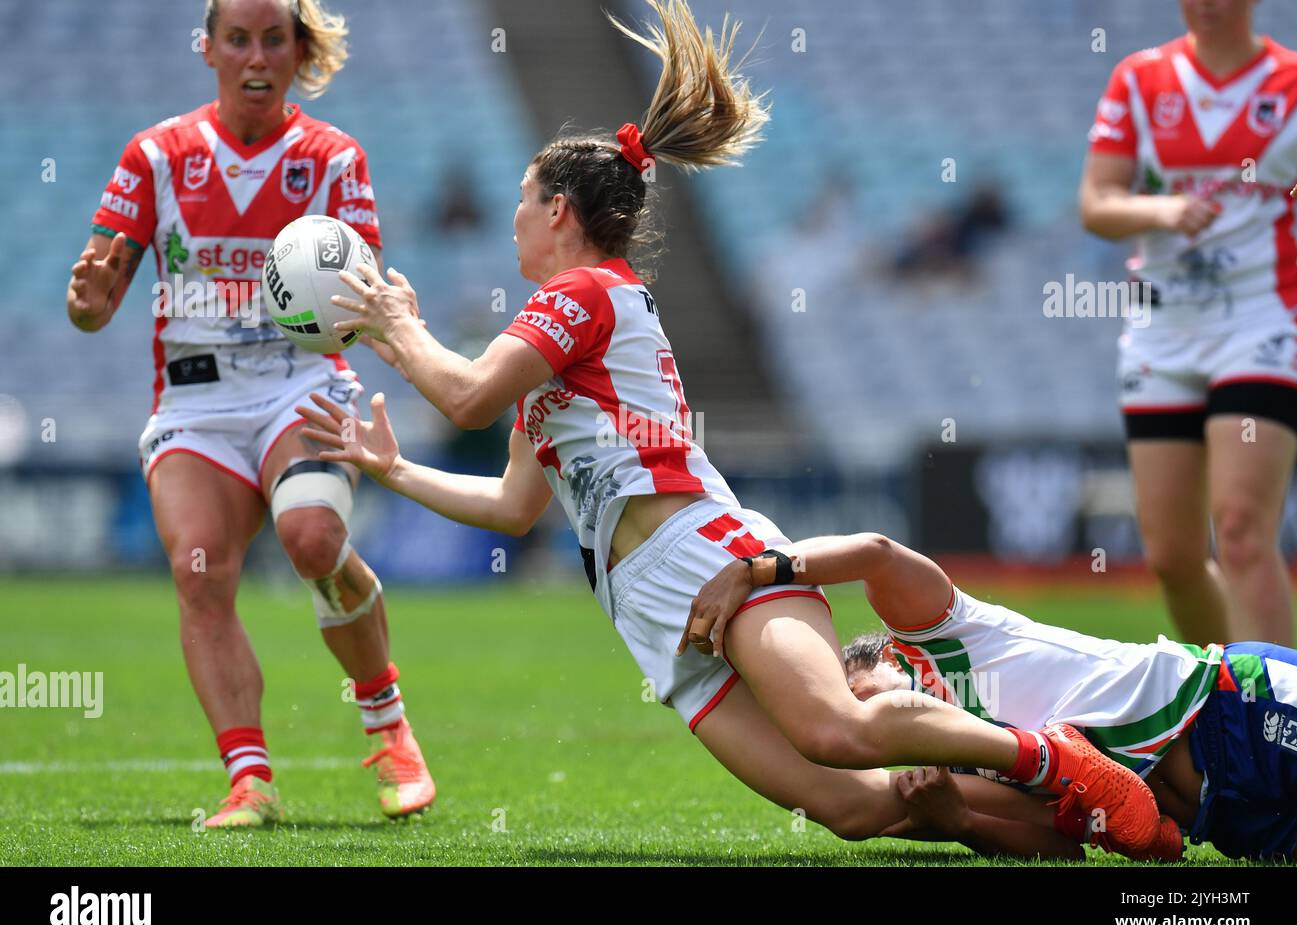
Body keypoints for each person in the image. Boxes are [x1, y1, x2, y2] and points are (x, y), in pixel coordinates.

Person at [295, 0, 1165, 854]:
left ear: (559, 210)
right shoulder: (552, 342)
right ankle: (1062, 815)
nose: (514, 214)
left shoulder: (584, 294)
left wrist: (389, 325)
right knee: (860, 809)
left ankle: (1059, 764)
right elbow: (516, 507)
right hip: (646, 615)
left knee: (835, 729)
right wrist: (396, 468)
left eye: (525, 198)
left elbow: (468, 397)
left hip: (706, 554)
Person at [64, 0, 434, 827]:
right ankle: (249, 781)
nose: (256, 57)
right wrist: (87, 301)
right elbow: (97, 297)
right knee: (200, 567)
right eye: (239, 39)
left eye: (275, 39)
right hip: (196, 403)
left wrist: (385, 308)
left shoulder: (334, 159)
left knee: (312, 539)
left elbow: (360, 298)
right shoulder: (157, 155)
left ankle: (388, 724)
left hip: (299, 384)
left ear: (300, 50)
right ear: (210, 49)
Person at [685, 532, 1297, 861]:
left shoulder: (940, 631)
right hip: (1228, 819)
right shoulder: (963, 763)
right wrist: (961, 822)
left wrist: (754, 570)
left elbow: (876, 555)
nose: (865, 725)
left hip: (1232, 702)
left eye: (859, 696)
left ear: (892, 658)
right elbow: (1060, 848)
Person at [1079, 0, 1297, 648]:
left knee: (1238, 529)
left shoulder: (1292, 85)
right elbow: (1097, 203)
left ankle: (1278, 724)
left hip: (1264, 319)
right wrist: (1165, 209)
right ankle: (1225, 688)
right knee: (1172, 558)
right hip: (1164, 330)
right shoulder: (1141, 80)